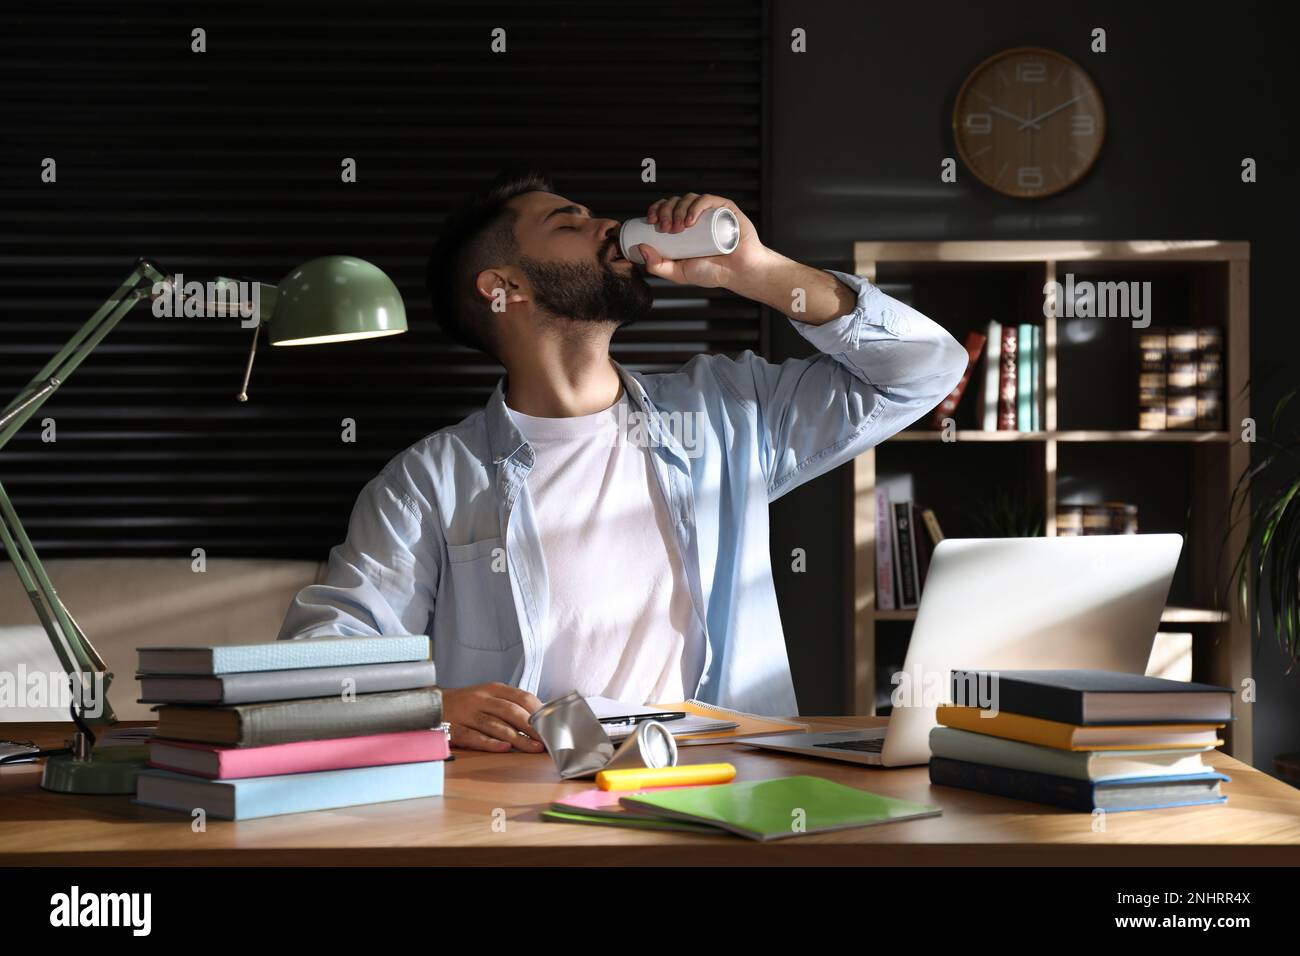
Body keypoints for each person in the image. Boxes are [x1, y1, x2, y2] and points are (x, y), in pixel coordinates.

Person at [278, 170, 966, 752]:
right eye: (569, 222)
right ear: (504, 287)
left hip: (729, 785)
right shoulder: (429, 483)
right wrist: (429, 704)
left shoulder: (726, 416)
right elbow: (320, 657)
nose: (609, 224)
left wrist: (757, 271)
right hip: (530, 807)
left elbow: (925, 371)